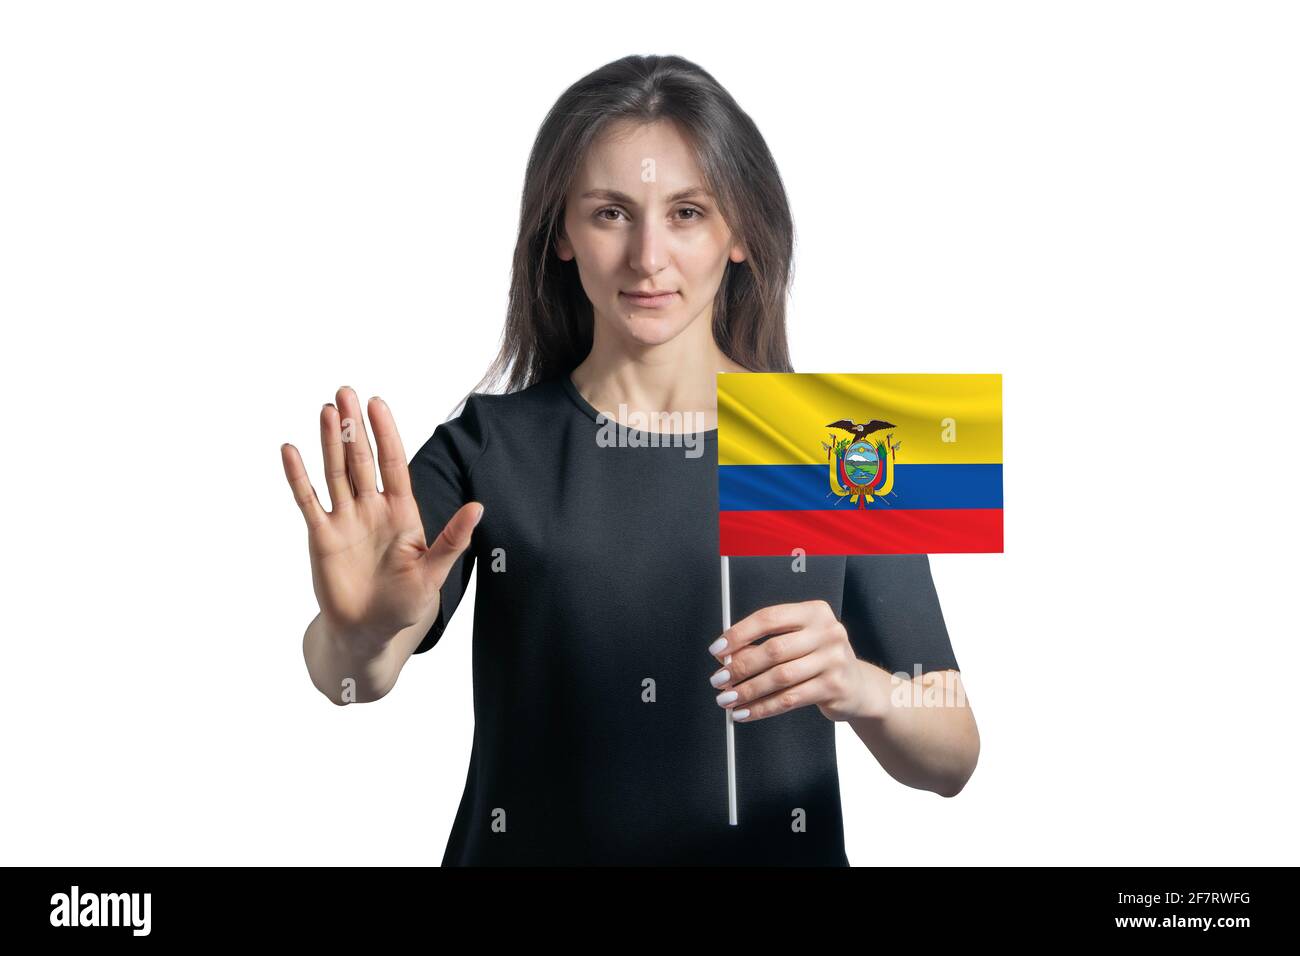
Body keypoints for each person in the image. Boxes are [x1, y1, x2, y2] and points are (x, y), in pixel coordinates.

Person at [280, 54, 979, 866]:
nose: (648, 257)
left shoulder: (841, 440)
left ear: (742, 232)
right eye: (611, 213)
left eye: (687, 212)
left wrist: (864, 687)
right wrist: (357, 631)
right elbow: (352, 678)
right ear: (562, 237)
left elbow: (955, 755)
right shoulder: (489, 444)